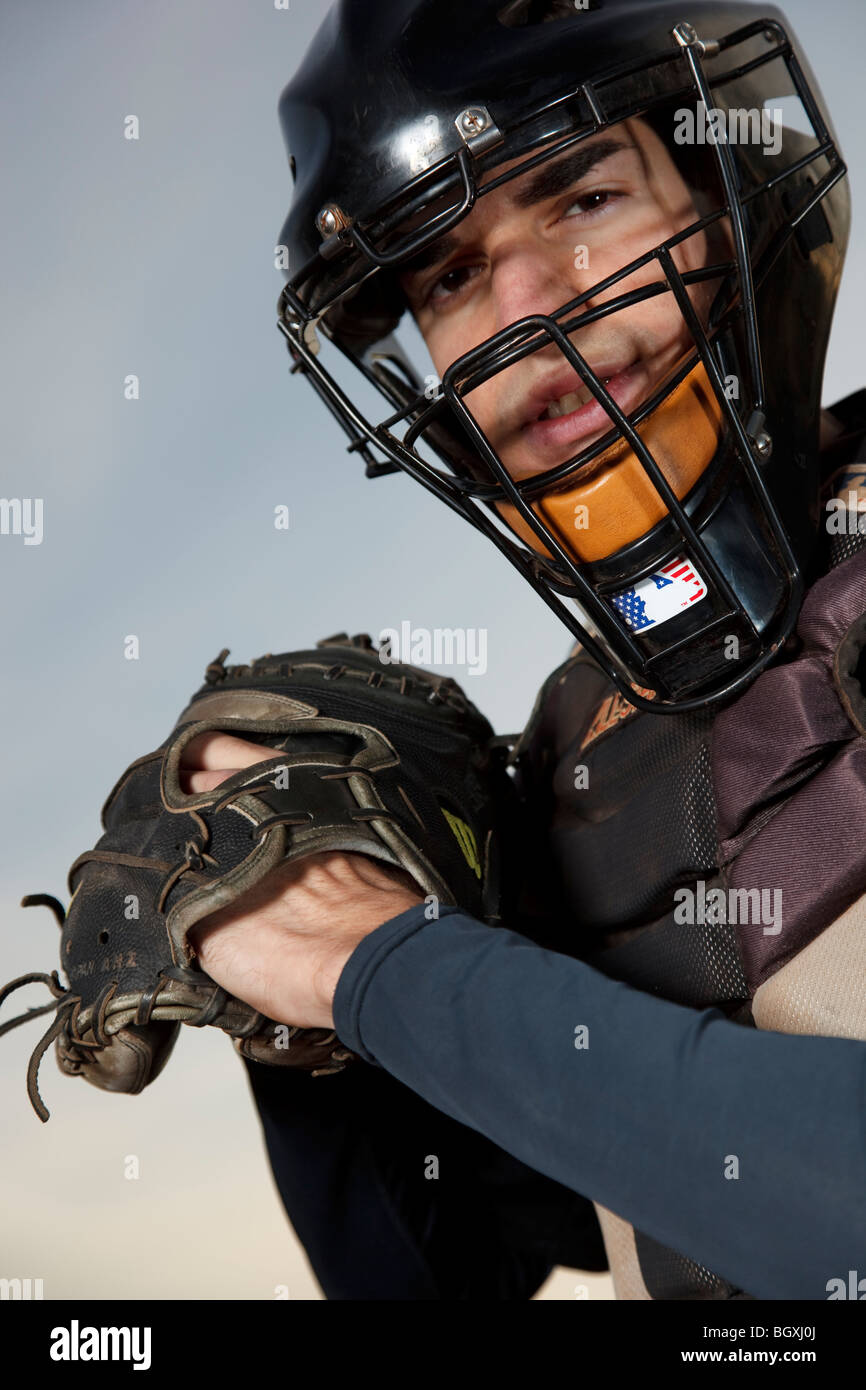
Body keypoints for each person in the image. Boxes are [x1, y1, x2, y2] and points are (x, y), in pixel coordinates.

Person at [188, 0, 866, 1300]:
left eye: (581, 196)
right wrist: (303, 1027)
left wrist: (381, 965)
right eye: (442, 276)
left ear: (730, 195)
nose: (520, 314)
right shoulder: (578, 741)